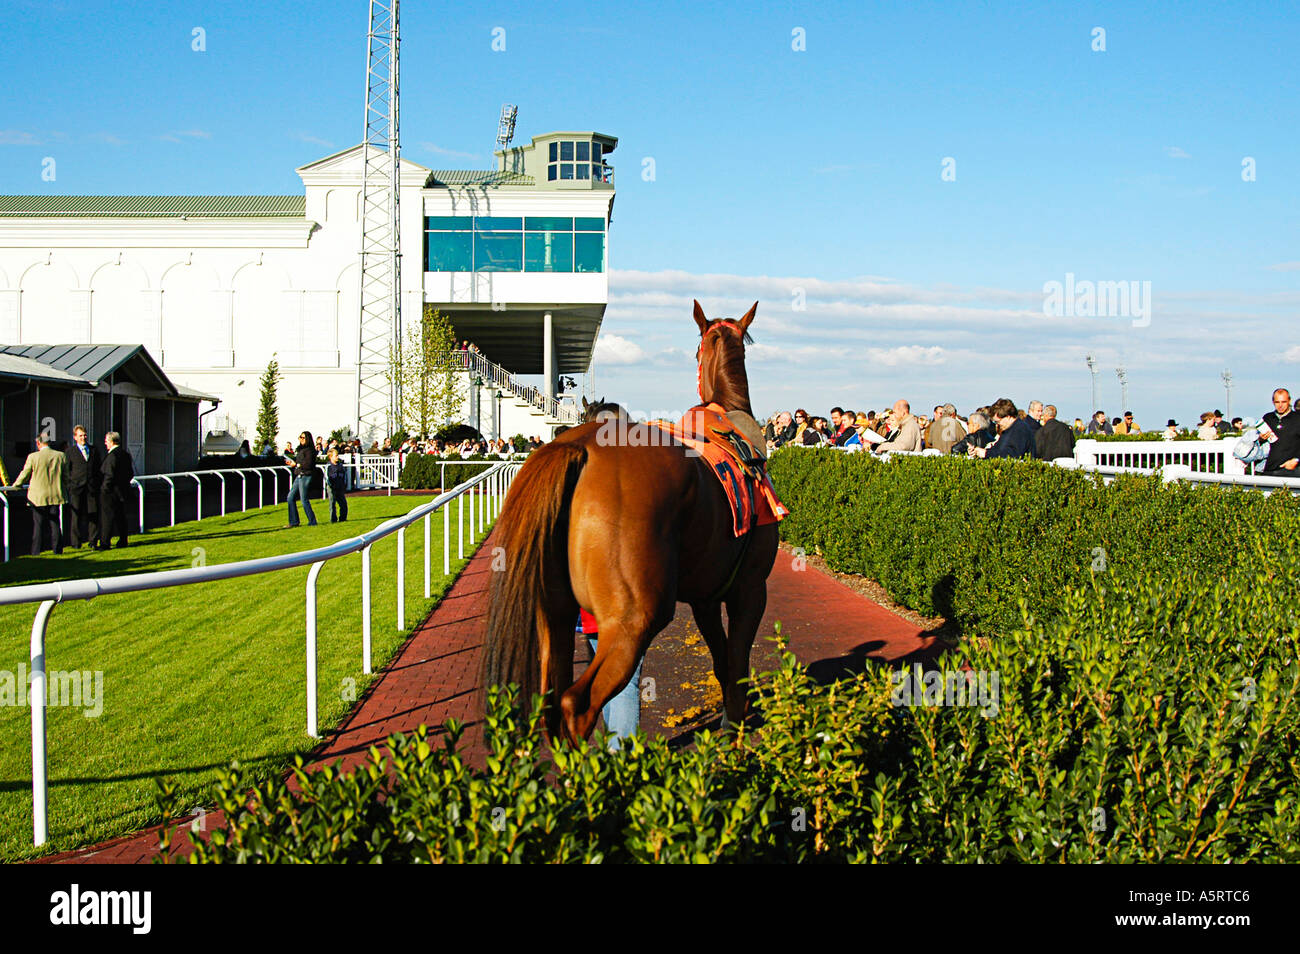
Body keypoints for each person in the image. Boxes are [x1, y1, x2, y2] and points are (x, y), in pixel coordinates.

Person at [578, 608, 641, 751]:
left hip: (590, 614)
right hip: (627, 613)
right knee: (626, 681)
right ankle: (620, 755)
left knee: (605, 678)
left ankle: (612, 747)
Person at [12, 431, 67, 555]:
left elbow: (24, 474)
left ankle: (36, 551)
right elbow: (66, 476)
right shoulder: (60, 456)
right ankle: (57, 550)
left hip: (38, 497)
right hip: (55, 494)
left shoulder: (33, 457)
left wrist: (16, 485)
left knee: (38, 525)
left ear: (38, 443)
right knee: (55, 523)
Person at [64, 424, 101, 549]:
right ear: (75, 437)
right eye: (80, 436)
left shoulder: (94, 450)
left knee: (93, 514)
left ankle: (93, 541)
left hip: (91, 488)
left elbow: (98, 468)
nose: (83, 438)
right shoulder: (70, 452)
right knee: (76, 516)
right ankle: (76, 542)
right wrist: (70, 485)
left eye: (84, 435)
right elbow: (66, 471)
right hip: (76, 488)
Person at [98, 430, 134, 549]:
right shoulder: (125, 454)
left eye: (106, 441)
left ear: (112, 441)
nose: (105, 443)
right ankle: (123, 540)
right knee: (121, 516)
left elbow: (109, 474)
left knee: (107, 517)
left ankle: (105, 542)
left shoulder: (112, 456)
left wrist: (104, 488)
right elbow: (130, 473)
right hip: (122, 490)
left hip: (111, 491)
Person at [971, 398, 1037, 459]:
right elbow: (997, 449)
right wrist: (979, 451)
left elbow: (1014, 454)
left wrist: (986, 453)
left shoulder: (1020, 429)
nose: (997, 424)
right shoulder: (1008, 430)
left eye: (998, 421)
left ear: (1008, 417)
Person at [1261, 388, 1300, 476]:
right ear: (1273, 402)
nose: (1280, 405)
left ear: (1289, 401)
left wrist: (1296, 460)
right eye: (1277, 402)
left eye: (1284, 402)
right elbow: (1258, 444)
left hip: (1292, 471)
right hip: (1270, 469)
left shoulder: (1298, 418)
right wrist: (1260, 438)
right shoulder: (1268, 418)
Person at [285, 430, 319, 528]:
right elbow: (299, 462)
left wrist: (296, 464)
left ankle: (312, 521)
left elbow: (308, 464)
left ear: (307, 439)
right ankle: (294, 521)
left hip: (306, 475)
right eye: (300, 437)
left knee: (304, 499)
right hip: (299, 474)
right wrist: (293, 463)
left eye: (303, 437)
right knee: (290, 497)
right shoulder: (300, 449)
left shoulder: (310, 450)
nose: (301, 439)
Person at [325, 447, 349, 522]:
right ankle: (333, 519)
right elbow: (326, 476)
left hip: (340, 487)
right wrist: (330, 484)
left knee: (343, 504)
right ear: (330, 457)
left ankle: (343, 518)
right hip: (332, 487)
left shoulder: (340, 465)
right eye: (336, 456)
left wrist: (344, 484)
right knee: (332, 503)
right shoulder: (328, 466)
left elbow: (344, 475)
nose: (337, 457)